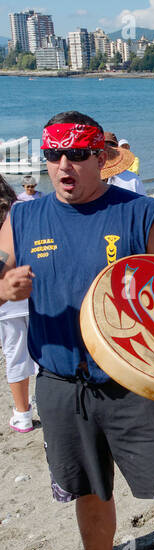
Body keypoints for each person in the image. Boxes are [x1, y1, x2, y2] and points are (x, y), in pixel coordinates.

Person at [0, 110, 154, 550]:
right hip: (61, 382)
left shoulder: (141, 213)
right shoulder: (23, 219)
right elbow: (0, 277)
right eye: (53, 155)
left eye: (76, 153)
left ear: (101, 156)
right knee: (90, 489)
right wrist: (4, 289)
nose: (63, 165)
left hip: (134, 380)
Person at [0, 175, 36, 432]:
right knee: (43, 351)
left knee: (14, 354)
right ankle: (47, 404)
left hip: (5, 297)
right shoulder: (21, 213)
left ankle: (22, 413)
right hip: (31, 289)